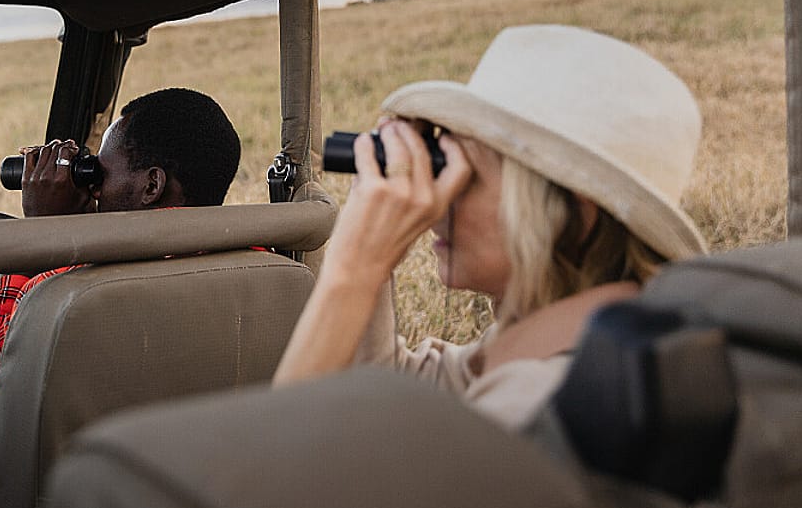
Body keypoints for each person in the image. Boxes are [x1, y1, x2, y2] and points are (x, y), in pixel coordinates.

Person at [274, 24, 707, 430]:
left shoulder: (538, 404)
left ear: (573, 217)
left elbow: (263, 489)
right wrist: (375, 238)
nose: (438, 199)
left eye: (467, 176)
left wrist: (352, 271)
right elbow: (391, 394)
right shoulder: (582, 342)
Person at [0, 87, 241, 508]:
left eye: (99, 172)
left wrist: (41, 246)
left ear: (151, 186)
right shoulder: (248, 269)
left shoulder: (86, 300)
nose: (91, 186)